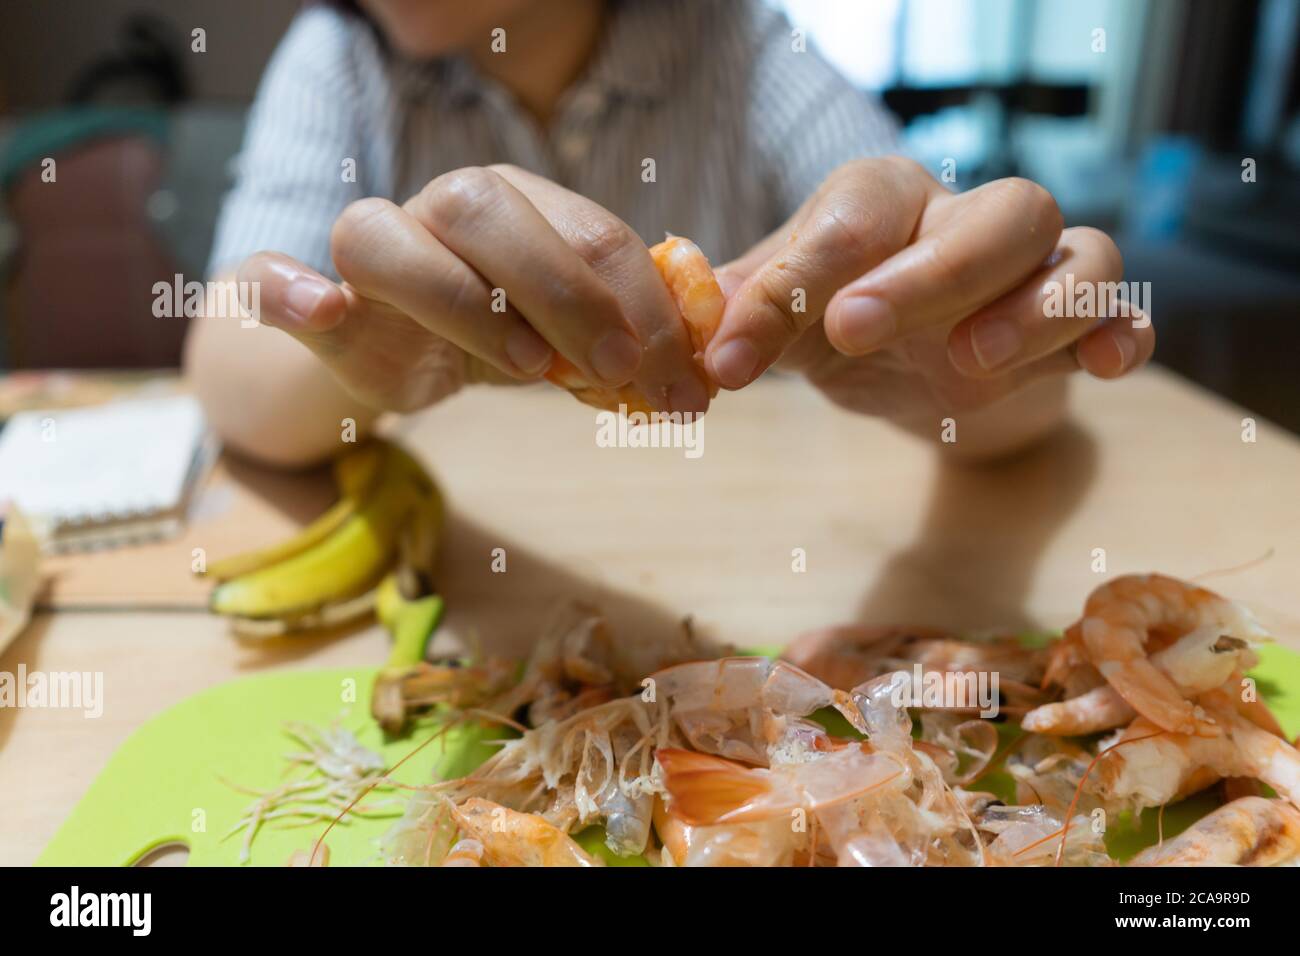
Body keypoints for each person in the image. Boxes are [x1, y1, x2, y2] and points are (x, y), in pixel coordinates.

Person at [185, 0, 1151, 467]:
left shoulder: (741, 48)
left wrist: (974, 333)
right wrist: (364, 350)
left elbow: (1013, 398)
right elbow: (233, 365)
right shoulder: (338, 59)